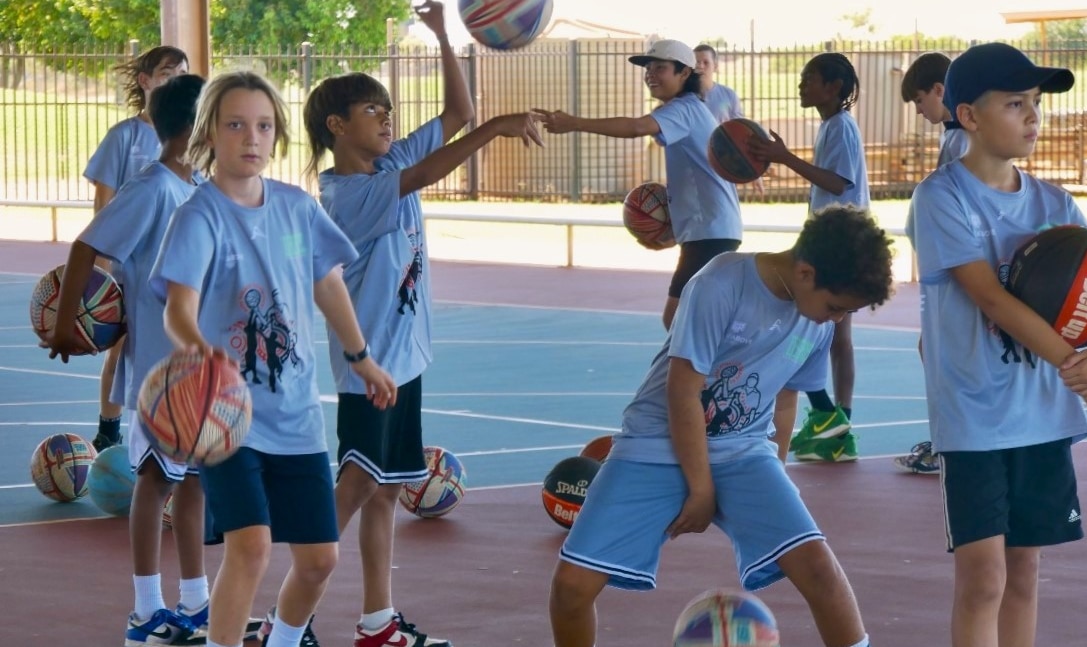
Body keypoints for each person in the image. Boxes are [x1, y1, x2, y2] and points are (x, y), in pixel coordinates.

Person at [298, 3, 540, 646]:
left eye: (387, 109)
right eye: (372, 111)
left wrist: (442, 35)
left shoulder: (381, 167)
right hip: (369, 369)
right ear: (336, 126)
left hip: (403, 365)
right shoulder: (351, 195)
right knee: (350, 492)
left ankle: (377, 621)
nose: (387, 117)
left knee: (380, 495)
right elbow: (443, 160)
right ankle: (284, 622)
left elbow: (455, 116)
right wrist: (497, 127)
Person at [548, 205, 893, 647]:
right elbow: (682, 392)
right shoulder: (721, 284)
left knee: (819, 569)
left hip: (745, 451)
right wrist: (701, 489)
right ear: (805, 272)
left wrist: (776, 472)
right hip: (656, 443)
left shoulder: (817, 322)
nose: (839, 319)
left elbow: (784, 399)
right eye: (836, 306)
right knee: (571, 587)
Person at [906, 42, 1087, 647]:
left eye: (1035, 103)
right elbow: (990, 297)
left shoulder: (1056, 203)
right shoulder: (942, 198)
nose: (1033, 117)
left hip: (1042, 416)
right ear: (969, 116)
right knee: (983, 578)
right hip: (975, 420)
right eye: (1015, 103)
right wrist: (1080, 366)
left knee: (1025, 573)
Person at [149, 70, 398, 647]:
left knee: (318, 560)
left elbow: (328, 284)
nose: (250, 138)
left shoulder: (294, 208)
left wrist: (362, 357)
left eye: (263, 126)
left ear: (277, 134)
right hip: (228, 418)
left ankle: (281, 641)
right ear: (210, 132)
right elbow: (176, 309)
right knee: (252, 546)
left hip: (297, 417)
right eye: (235, 125)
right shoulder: (199, 215)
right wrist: (199, 348)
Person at [44, 73, 243, 647]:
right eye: (227, 120)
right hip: (162, 370)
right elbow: (88, 245)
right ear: (201, 126)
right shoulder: (154, 187)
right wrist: (65, 325)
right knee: (156, 481)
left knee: (196, 484)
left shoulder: (199, 187)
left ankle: (196, 603)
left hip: (201, 368)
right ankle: (145, 609)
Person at [534, 39, 743, 331]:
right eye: (647, 68)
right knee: (691, 320)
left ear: (684, 73)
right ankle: (712, 372)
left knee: (679, 320)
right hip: (710, 231)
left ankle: (718, 373)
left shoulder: (684, 109)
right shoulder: (689, 109)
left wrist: (575, 123)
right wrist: (672, 229)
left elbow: (636, 127)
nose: (650, 74)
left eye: (660, 67)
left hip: (710, 233)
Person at [748, 52, 868, 462]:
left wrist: (785, 158)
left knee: (813, 329)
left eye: (809, 78)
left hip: (842, 244)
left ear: (833, 87)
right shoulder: (830, 126)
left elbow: (838, 182)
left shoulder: (841, 127)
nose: (801, 85)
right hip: (834, 240)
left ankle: (828, 418)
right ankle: (837, 426)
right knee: (834, 337)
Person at [84, 45, 190, 454]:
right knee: (122, 347)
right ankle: (109, 429)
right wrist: (105, 266)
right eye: (167, 72)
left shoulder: (188, 137)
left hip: (173, 269)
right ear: (145, 80)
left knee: (169, 352)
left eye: (182, 72)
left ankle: (164, 439)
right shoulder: (125, 136)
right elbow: (104, 205)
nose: (175, 79)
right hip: (129, 262)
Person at [894, 51, 970, 475]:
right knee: (937, 350)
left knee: (942, 352)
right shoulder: (954, 135)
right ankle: (949, 438)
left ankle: (953, 442)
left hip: (958, 272)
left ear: (940, 90)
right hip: (949, 271)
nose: (919, 110)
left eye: (920, 100)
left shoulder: (961, 139)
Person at [693, 43, 765, 194]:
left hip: (721, 161)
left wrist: (754, 171)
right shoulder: (684, 99)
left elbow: (742, 133)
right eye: (696, 62)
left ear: (715, 66)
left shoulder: (728, 95)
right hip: (693, 161)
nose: (700, 66)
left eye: (705, 62)